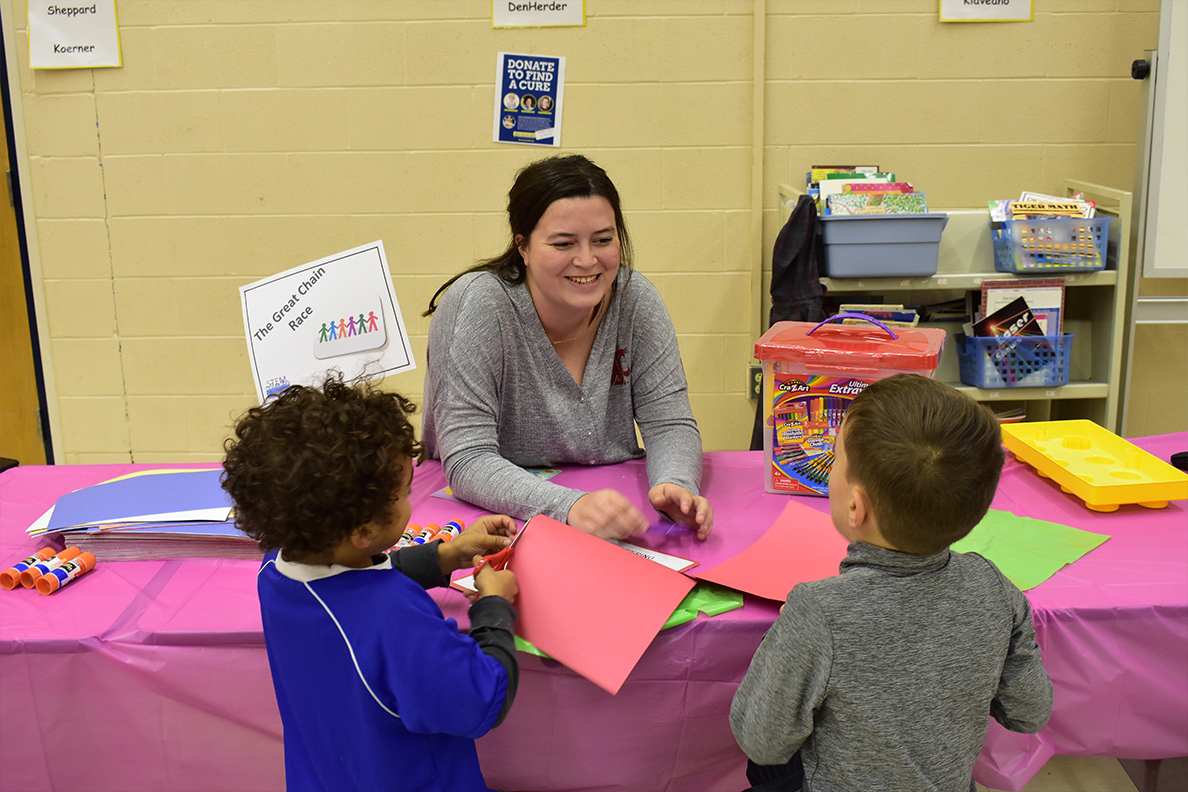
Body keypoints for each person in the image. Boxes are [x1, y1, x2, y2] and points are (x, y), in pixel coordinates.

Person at [729, 374, 1053, 792]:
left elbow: (761, 741)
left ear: (855, 506)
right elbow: (1030, 711)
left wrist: (794, 635)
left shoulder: (818, 610)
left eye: (835, 460)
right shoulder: (994, 587)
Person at [222, 374, 520, 792]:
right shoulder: (394, 614)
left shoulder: (275, 570)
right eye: (403, 492)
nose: (410, 500)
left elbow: (352, 583)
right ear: (362, 529)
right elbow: (481, 700)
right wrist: (494, 606)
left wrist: (441, 557)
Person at [422, 154, 712, 541]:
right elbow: (468, 459)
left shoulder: (634, 298)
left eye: (604, 240)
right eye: (563, 243)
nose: (587, 260)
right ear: (522, 246)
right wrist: (570, 506)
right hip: (492, 518)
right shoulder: (478, 305)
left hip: (608, 510)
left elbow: (669, 423)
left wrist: (676, 484)